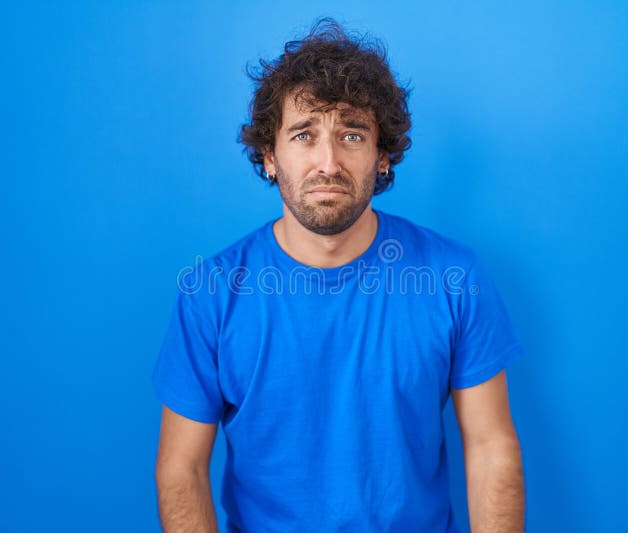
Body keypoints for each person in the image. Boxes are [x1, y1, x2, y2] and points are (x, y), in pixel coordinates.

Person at [152, 18, 526, 533]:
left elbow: (490, 446)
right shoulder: (211, 294)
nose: (328, 162)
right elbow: (181, 469)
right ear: (268, 156)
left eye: (351, 134)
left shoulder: (453, 278)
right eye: (304, 135)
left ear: (383, 157)